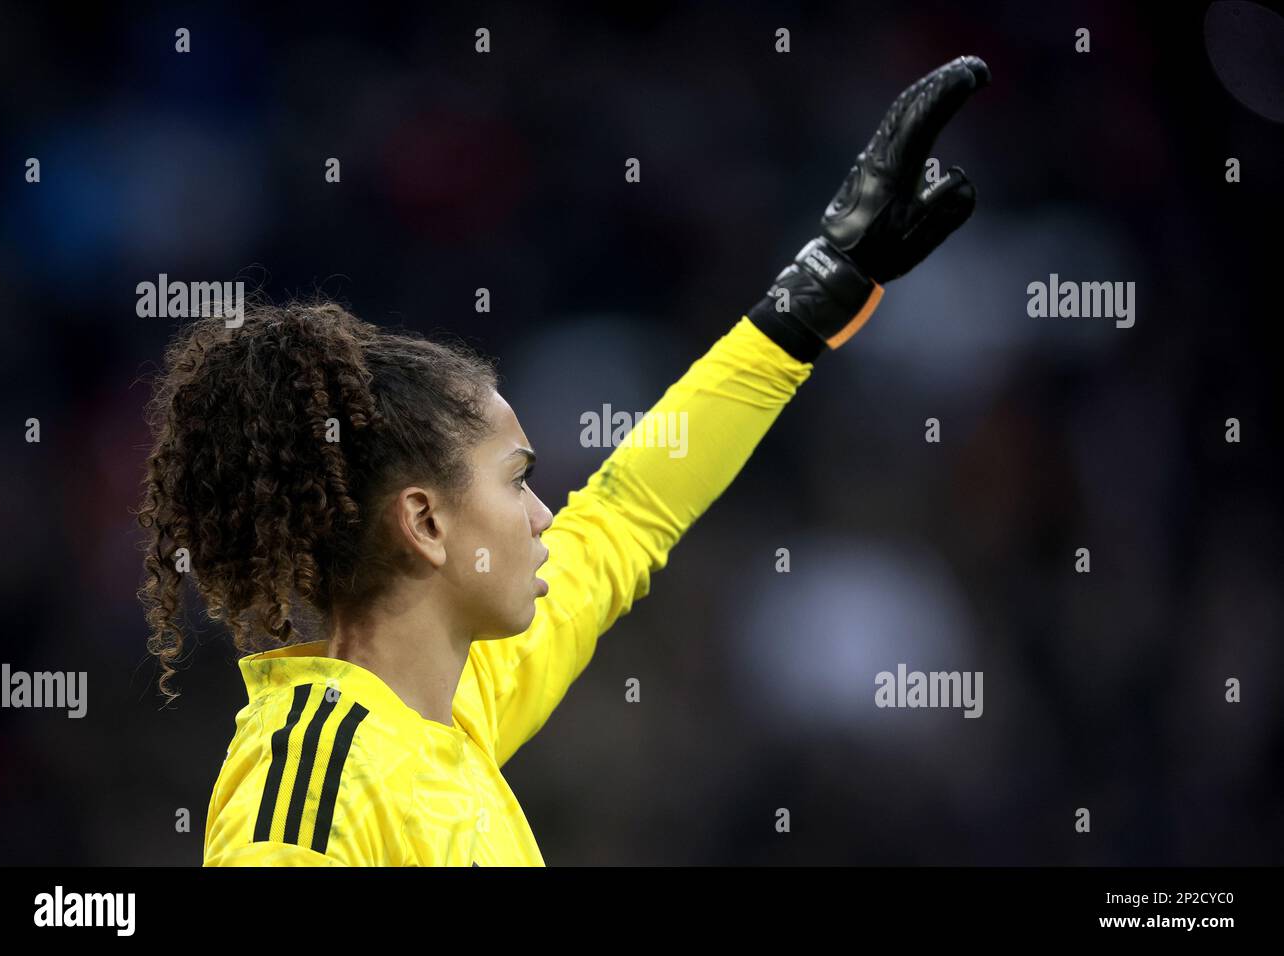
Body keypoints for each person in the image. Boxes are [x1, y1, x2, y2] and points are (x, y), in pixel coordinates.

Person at [135, 55, 990, 866]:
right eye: (517, 481)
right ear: (427, 524)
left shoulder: (450, 707)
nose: (547, 515)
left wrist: (821, 290)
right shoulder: (306, 798)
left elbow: (629, 512)